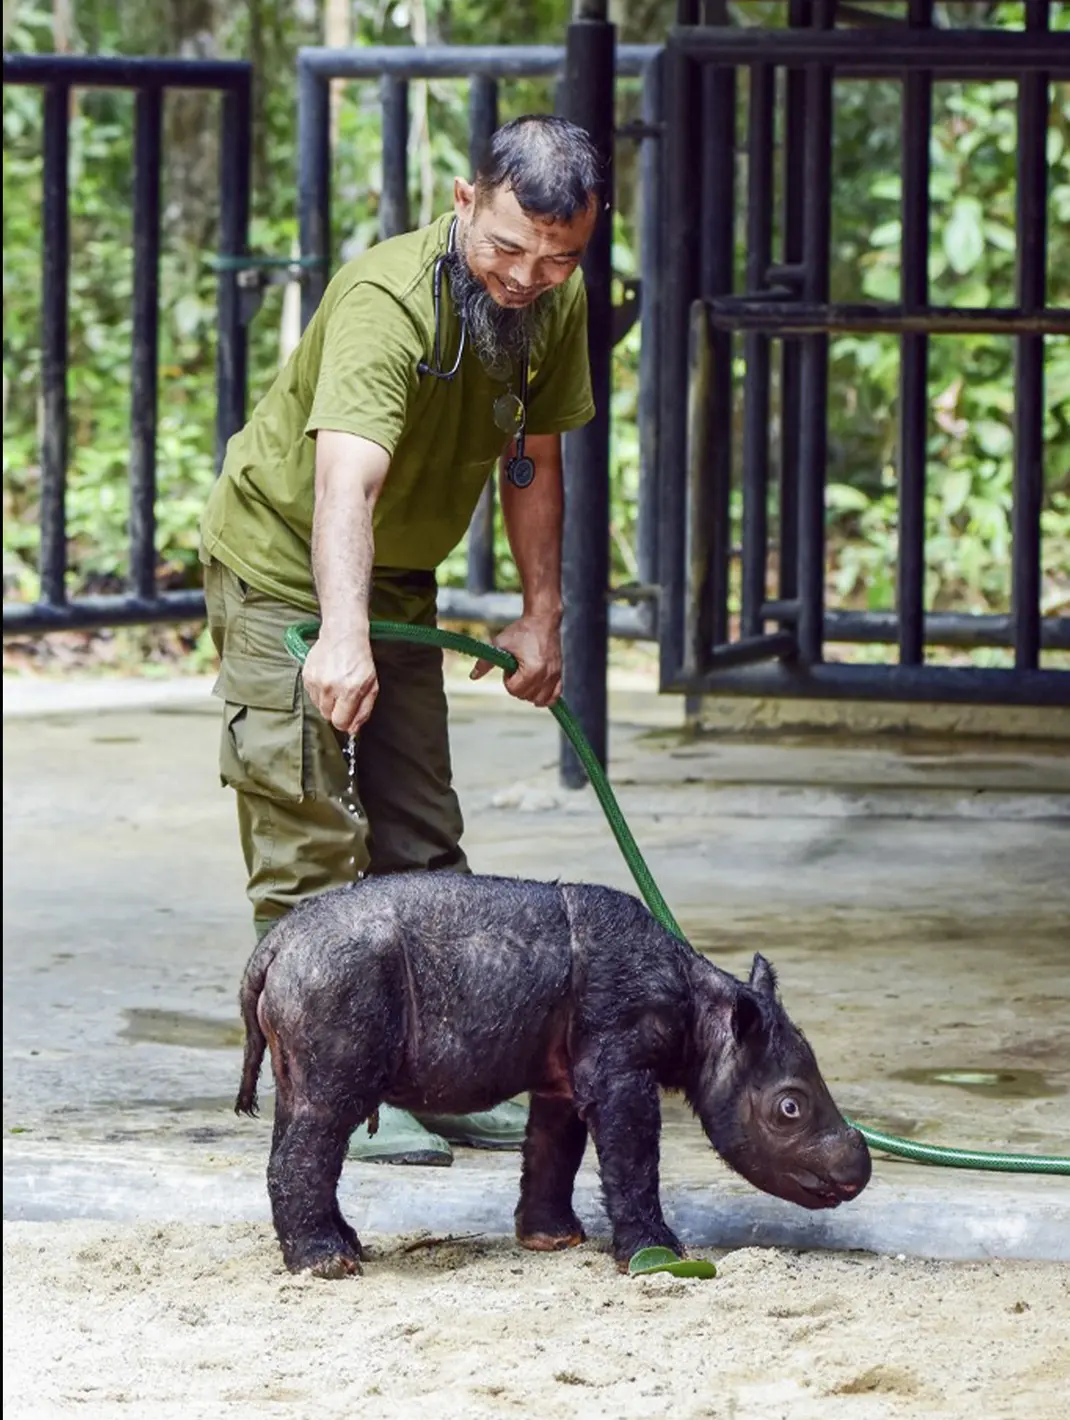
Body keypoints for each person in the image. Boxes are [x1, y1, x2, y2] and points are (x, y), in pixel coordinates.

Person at [199, 114, 602, 1166]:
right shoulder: (387, 299)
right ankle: (324, 1095)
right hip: (288, 562)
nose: (526, 275)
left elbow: (534, 460)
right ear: (463, 202)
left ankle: (440, 1072)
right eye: (506, 248)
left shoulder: (551, 297)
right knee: (312, 843)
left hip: (398, 574)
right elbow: (347, 477)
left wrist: (539, 613)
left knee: (422, 842)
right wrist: (338, 634)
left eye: (558, 256)